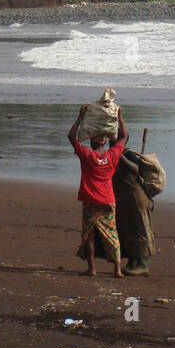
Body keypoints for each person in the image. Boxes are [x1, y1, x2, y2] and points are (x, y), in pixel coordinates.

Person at [68, 104, 127, 278]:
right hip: (108, 199)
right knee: (112, 233)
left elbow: (71, 137)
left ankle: (92, 269)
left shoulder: (87, 155)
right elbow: (123, 136)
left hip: (90, 199)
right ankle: (117, 269)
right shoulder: (112, 155)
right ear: (107, 141)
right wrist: (120, 115)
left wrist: (80, 117)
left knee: (89, 234)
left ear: (92, 140)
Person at [112, 149, 159, 275]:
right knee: (129, 230)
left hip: (138, 199)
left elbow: (135, 169)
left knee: (142, 230)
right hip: (127, 199)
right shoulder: (112, 154)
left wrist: (119, 155)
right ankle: (133, 262)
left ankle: (143, 265)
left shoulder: (128, 154)